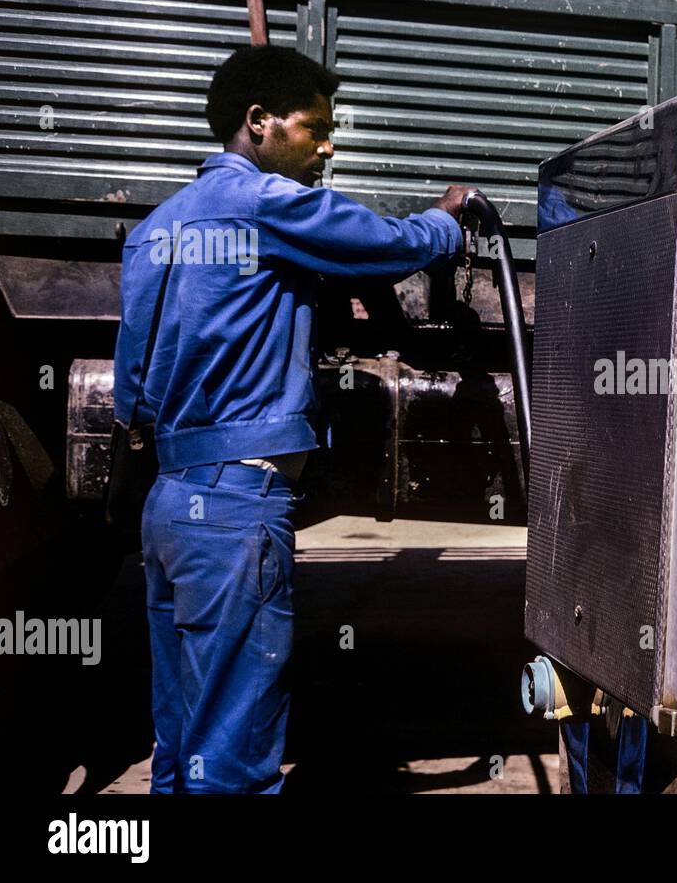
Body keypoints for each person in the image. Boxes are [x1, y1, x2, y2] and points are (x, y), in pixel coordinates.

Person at [113, 45, 470, 793]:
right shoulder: (264, 203)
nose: (328, 145)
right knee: (235, 756)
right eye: (316, 128)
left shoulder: (155, 229)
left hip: (170, 504)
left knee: (181, 741)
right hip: (238, 505)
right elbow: (383, 245)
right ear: (259, 122)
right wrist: (445, 220)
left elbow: (131, 397)